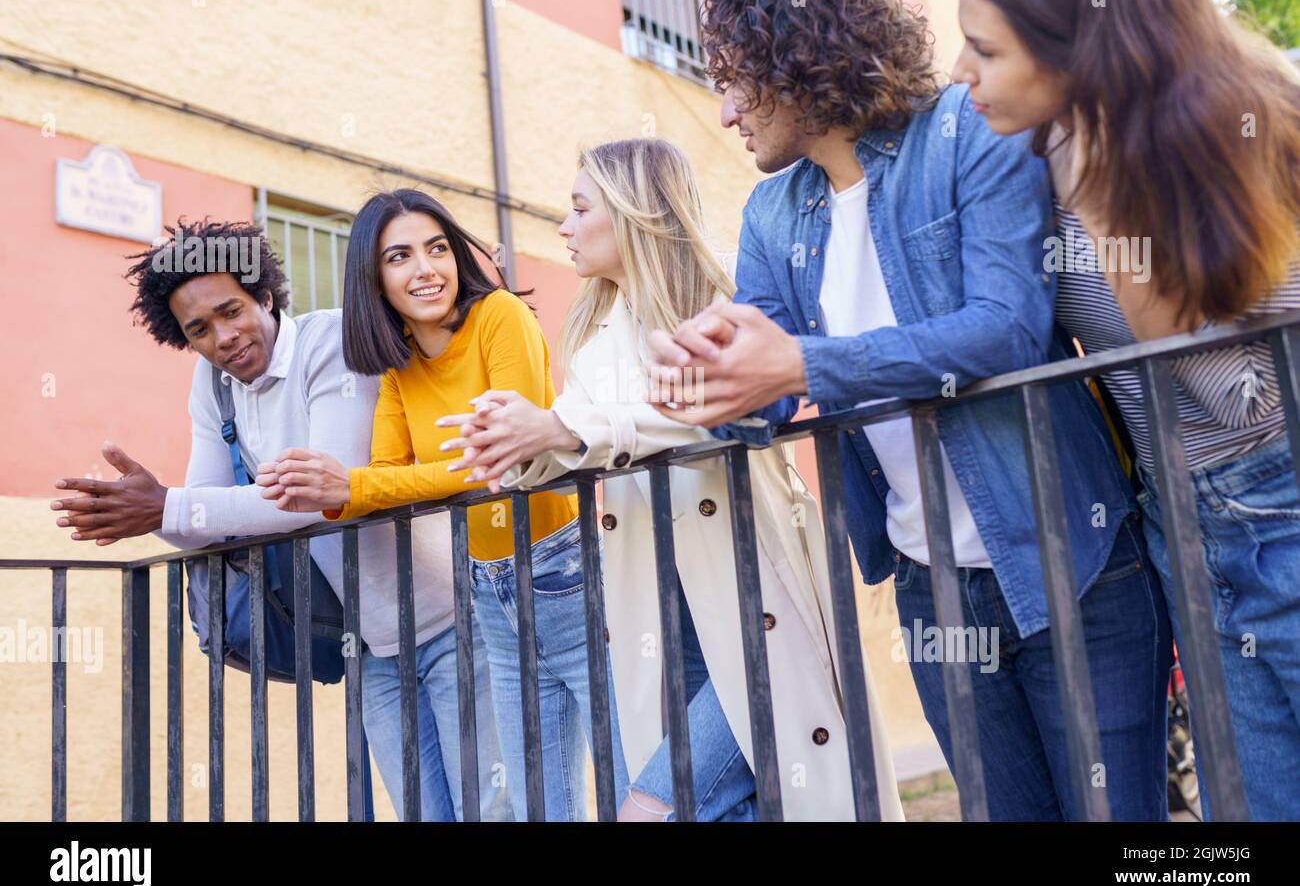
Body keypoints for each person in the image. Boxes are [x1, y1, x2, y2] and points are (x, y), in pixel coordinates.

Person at [645, 0, 1172, 820]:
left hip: (1071, 560)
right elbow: (769, 380)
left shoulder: (969, 132)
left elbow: (1002, 325)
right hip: (932, 586)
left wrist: (804, 365)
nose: (728, 112)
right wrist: (708, 379)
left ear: (799, 58)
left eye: (739, 82)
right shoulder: (773, 215)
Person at [437, 138, 903, 821]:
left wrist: (562, 431)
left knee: (650, 807)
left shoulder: (724, 300)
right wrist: (515, 440)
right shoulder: (593, 335)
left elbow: (707, 414)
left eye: (578, 208)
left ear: (633, 213)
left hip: (749, 602)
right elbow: (578, 433)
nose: (563, 228)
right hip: (653, 610)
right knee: (725, 807)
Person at [953, 0, 1300, 820]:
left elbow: (1223, 382)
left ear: (1077, 52)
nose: (962, 72)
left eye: (984, 51)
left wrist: (1092, 170)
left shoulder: (1254, 114)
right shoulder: (1042, 152)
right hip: (1189, 526)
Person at [50, 218, 510, 822]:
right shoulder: (213, 385)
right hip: (372, 645)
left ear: (264, 296)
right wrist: (144, 513)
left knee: (496, 810)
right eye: (200, 330)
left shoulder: (332, 344)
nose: (224, 337)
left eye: (231, 310)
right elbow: (207, 513)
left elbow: (324, 496)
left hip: (453, 620)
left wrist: (164, 506)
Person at [256, 189, 629, 821]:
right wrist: (362, 486)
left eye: (436, 248)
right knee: (541, 801)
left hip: (562, 569)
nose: (425, 269)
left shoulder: (500, 316)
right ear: (374, 280)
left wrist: (352, 488)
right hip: (484, 588)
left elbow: (500, 461)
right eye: (399, 257)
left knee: (628, 781)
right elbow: (391, 474)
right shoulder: (400, 368)